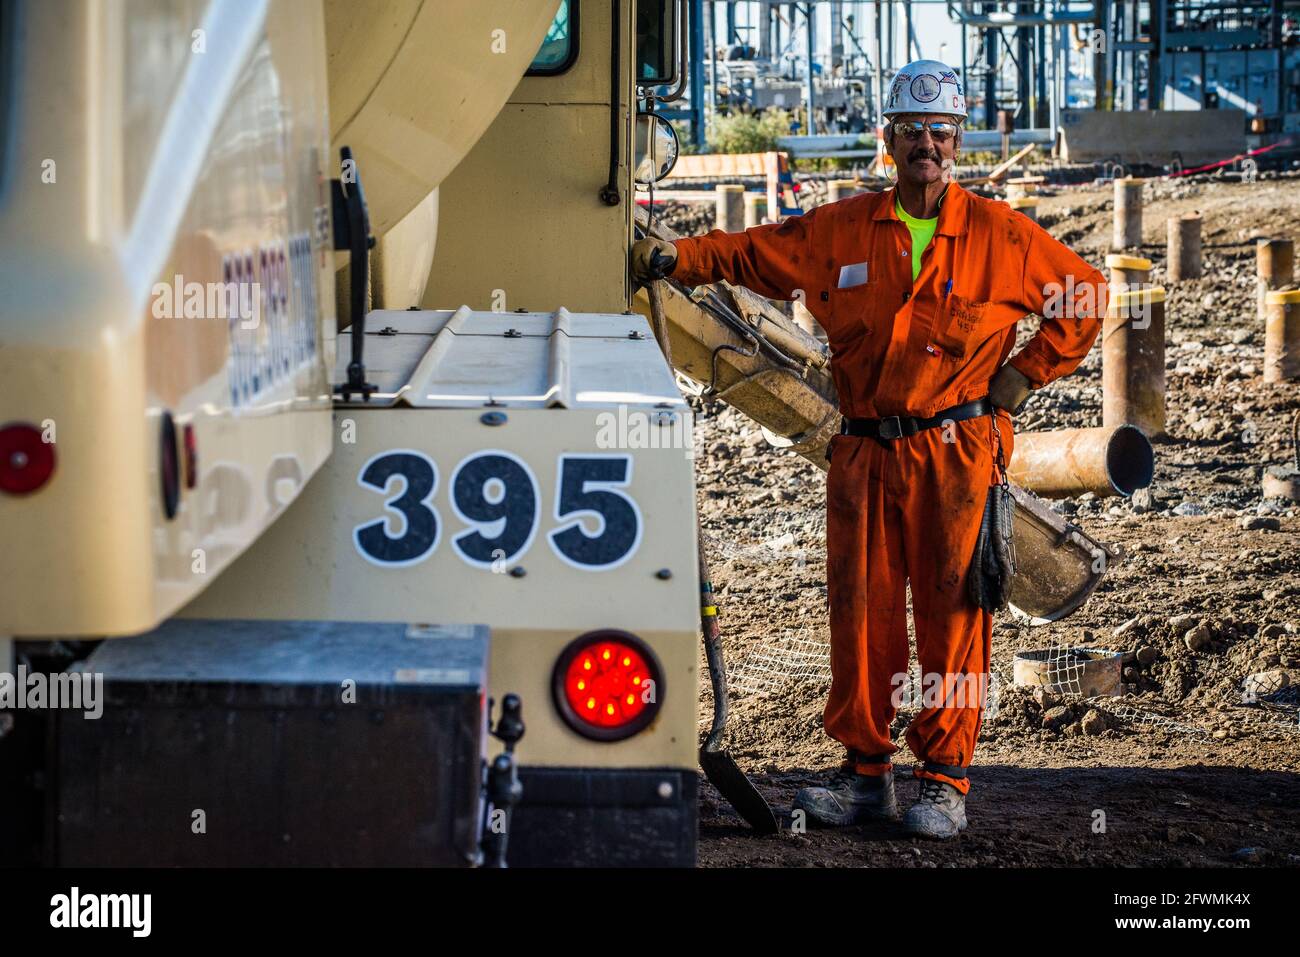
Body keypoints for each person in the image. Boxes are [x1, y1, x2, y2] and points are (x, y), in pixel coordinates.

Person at [630, 60, 1108, 839]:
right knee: (861, 616)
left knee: (954, 617)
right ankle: (865, 780)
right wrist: (678, 258)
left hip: (957, 453)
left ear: (958, 144)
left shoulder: (999, 234)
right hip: (862, 453)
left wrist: (1025, 376)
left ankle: (945, 784)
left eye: (940, 134)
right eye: (912, 132)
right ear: (889, 140)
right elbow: (755, 252)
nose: (927, 146)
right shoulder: (841, 229)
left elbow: (1085, 296)